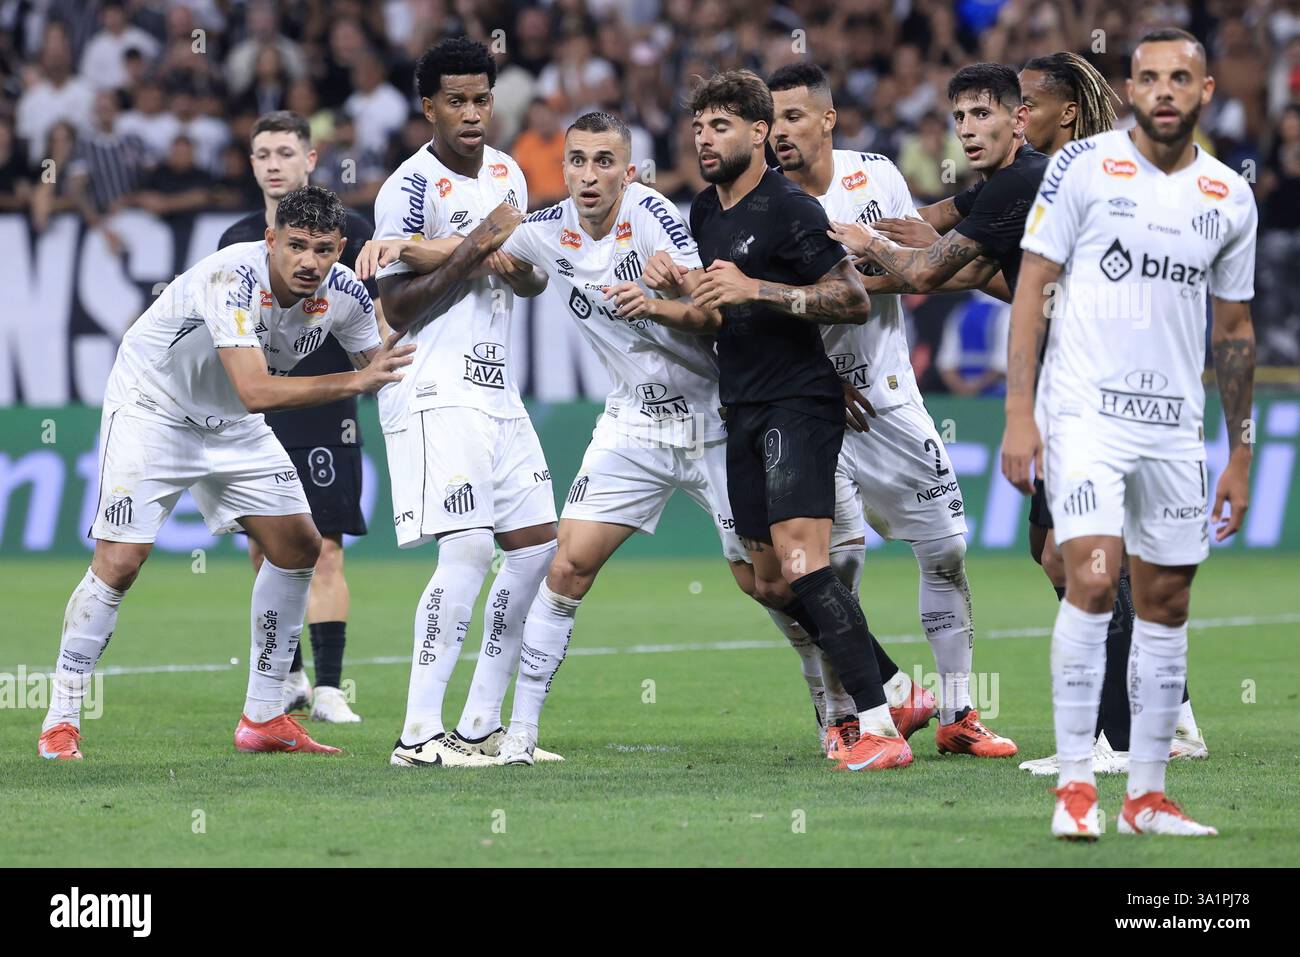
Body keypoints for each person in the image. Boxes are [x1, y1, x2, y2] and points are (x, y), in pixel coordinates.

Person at [36, 186, 411, 761]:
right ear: (270, 241)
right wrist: (355, 383)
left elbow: (382, 365)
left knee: (298, 545)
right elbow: (258, 390)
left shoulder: (345, 295)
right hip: (154, 408)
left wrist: (449, 270)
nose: (309, 261)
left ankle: (264, 716)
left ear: (339, 249)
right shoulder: (229, 278)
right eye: (296, 246)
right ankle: (61, 719)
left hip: (231, 423)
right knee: (120, 562)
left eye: (323, 249)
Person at [1002, 28, 1257, 838]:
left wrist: (1241, 449)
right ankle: (1077, 786)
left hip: (1176, 425)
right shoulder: (1082, 168)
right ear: (1132, 89)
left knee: (1167, 597)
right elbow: (1032, 286)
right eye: (1149, 77)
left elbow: (1236, 332)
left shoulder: (1229, 195)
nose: (1165, 91)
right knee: (1092, 572)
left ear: (1206, 89)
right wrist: (1019, 412)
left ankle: (1147, 795)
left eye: (1181, 77)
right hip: (1085, 413)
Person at [768, 62, 1018, 758]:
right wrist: (818, 372)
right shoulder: (763, 200)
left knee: (946, 550)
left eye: (793, 116)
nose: (780, 132)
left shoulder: (875, 173)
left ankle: (960, 714)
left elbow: (918, 269)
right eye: (772, 119)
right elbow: (760, 306)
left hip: (888, 397)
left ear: (826, 119)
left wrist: (880, 252)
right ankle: (846, 719)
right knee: (832, 568)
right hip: (812, 407)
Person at [681, 69, 912, 771]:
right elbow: (722, 311)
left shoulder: (791, 207)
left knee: (808, 564)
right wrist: (677, 296)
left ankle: (879, 729)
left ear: (758, 133)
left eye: (720, 126)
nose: (705, 139)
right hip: (741, 405)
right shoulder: (704, 211)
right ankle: (898, 686)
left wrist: (760, 288)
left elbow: (850, 298)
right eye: (698, 127)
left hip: (798, 404)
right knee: (768, 580)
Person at [358, 37, 561, 769]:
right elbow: (399, 309)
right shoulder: (408, 189)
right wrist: (476, 246)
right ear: (428, 107)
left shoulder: (509, 173)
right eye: (456, 101)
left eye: (481, 98)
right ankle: (417, 733)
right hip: (431, 383)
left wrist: (508, 262)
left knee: (538, 547)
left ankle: (479, 725)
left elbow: (533, 278)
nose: (472, 113)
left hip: (496, 387)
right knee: (470, 547)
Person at [218, 111, 379, 723]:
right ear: (253, 163)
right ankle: (285, 678)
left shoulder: (352, 231)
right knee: (264, 550)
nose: (274, 163)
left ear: (311, 160)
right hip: (255, 410)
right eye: (263, 154)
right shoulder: (234, 240)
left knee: (327, 548)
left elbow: (374, 320)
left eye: (286, 152)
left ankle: (332, 686)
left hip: (329, 405)